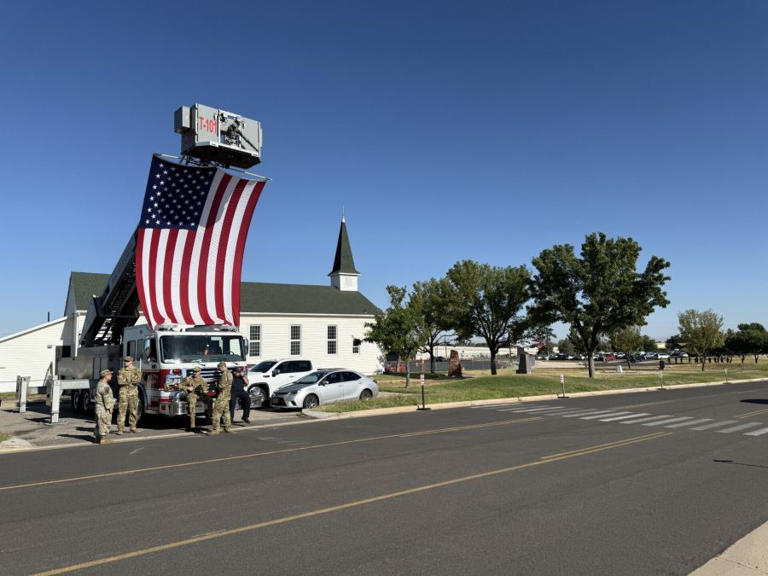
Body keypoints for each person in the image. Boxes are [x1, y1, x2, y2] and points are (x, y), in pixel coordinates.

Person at [116, 356, 142, 434]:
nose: (126, 362)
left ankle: (133, 427)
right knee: (122, 411)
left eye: (127, 361)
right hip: (123, 393)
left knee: (133, 411)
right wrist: (131, 380)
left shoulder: (136, 370)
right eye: (125, 361)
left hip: (133, 393)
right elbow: (120, 382)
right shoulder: (121, 370)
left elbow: (138, 380)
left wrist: (128, 380)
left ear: (131, 362)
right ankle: (120, 429)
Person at [180, 365, 207, 432]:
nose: (195, 373)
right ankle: (192, 426)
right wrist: (188, 388)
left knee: (212, 403)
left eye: (197, 371)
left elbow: (205, 389)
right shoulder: (189, 378)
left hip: (200, 395)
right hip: (191, 395)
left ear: (200, 372)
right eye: (194, 371)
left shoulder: (202, 380)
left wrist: (203, 391)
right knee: (192, 407)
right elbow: (180, 385)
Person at [210, 362, 233, 434]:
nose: (219, 370)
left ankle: (215, 429)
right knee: (226, 412)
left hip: (222, 396)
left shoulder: (224, 375)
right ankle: (227, 427)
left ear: (223, 366)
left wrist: (216, 383)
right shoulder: (230, 374)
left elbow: (222, 385)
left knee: (216, 412)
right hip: (227, 395)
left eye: (219, 368)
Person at [94, 369, 115, 444]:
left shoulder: (99, 383)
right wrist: (110, 408)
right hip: (103, 407)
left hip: (99, 407)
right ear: (106, 376)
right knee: (104, 422)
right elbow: (106, 398)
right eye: (110, 375)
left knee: (99, 422)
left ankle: (97, 438)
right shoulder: (105, 386)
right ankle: (103, 439)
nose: (111, 376)